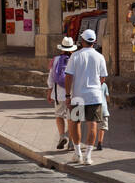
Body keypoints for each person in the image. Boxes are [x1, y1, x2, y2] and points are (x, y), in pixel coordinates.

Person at [64, 27, 107, 165]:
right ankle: (88, 156)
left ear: (82, 41)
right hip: (94, 95)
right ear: (93, 42)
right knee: (92, 123)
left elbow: (68, 76)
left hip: (78, 95)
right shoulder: (100, 57)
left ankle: (77, 153)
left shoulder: (75, 56)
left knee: (75, 123)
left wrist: (67, 95)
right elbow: (102, 78)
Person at [46, 36, 76, 151]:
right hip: (73, 93)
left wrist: (49, 92)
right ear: (72, 48)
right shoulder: (75, 58)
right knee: (71, 117)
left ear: (62, 48)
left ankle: (62, 136)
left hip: (58, 94)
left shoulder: (55, 60)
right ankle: (72, 142)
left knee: (59, 115)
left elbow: (51, 78)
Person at [95, 80, 110, 151]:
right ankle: (100, 143)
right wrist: (108, 103)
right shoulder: (104, 85)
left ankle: (94, 143)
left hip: (94, 107)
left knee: (94, 126)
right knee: (102, 127)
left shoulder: (92, 84)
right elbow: (107, 96)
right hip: (103, 108)